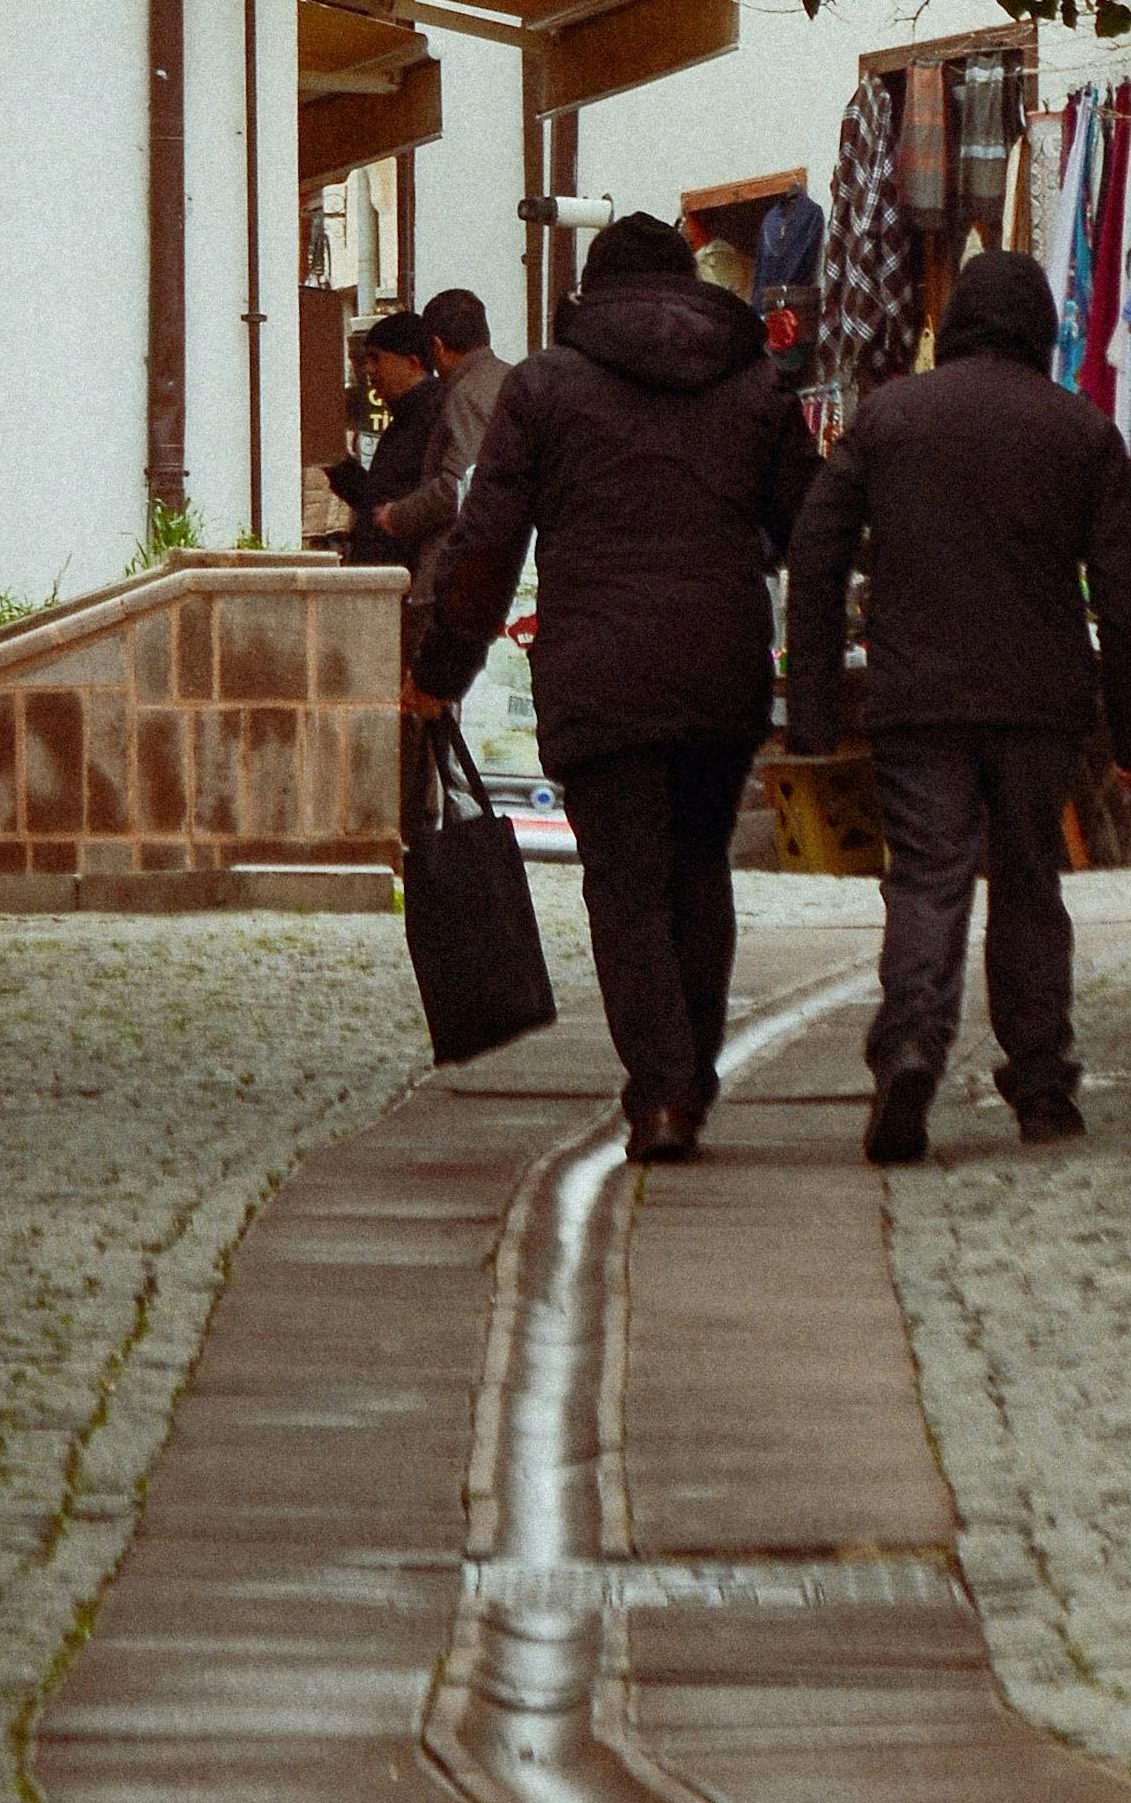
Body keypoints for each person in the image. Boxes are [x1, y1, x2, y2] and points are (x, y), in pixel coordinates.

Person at [406, 212, 817, 1162]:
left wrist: (442, 670)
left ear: (594, 290)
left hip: (597, 670)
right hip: (720, 666)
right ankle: (690, 1077)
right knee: (699, 871)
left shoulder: (546, 386)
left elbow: (488, 544)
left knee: (625, 884)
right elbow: (807, 516)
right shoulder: (753, 381)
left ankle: (664, 1094)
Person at [784, 248, 1131, 1167]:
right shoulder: (1079, 432)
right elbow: (1127, 590)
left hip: (917, 696)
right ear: (1040, 328)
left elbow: (817, 554)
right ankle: (1040, 1085)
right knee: (1031, 880)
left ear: (953, 328)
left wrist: (812, 711)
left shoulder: (890, 418)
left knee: (926, 875)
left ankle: (911, 1043)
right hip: (1039, 699)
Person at [370, 285, 510, 660]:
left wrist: (398, 515)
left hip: (454, 576)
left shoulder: (464, 393)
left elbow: (457, 484)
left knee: (433, 701)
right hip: (507, 568)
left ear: (436, 345)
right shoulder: (513, 380)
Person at [324, 312, 442, 567]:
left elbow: (392, 506)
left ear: (412, 362)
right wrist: (338, 464)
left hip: (403, 576)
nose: (368, 369)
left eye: (376, 358)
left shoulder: (433, 417)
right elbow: (377, 502)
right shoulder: (407, 417)